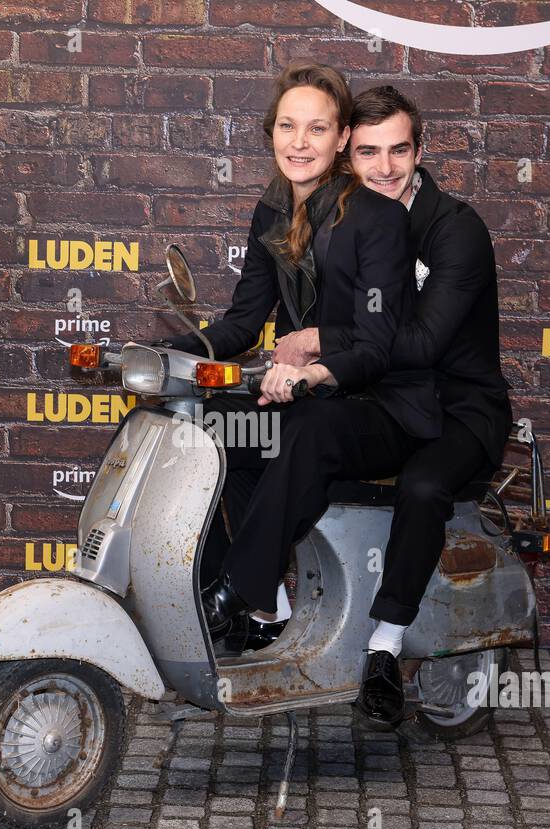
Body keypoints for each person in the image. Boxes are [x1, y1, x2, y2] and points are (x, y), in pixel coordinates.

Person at [160, 64, 440, 657]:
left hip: (384, 408)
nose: (299, 142)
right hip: (311, 397)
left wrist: (313, 369)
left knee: (307, 429)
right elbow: (241, 322)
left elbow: (377, 340)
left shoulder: (379, 219)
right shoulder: (270, 214)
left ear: (341, 140)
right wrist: (161, 353)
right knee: (202, 433)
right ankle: (234, 598)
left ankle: (238, 591)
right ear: (272, 134)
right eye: (288, 127)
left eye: (316, 129)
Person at [274, 86, 513, 727]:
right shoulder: (342, 222)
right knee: (270, 433)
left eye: (398, 150)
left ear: (420, 150)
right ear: (347, 155)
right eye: (368, 152)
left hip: (463, 411)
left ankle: (383, 648)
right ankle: (264, 605)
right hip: (388, 402)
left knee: (425, 482)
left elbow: (425, 342)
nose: (384, 167)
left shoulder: (456, 230)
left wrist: (321, 339)